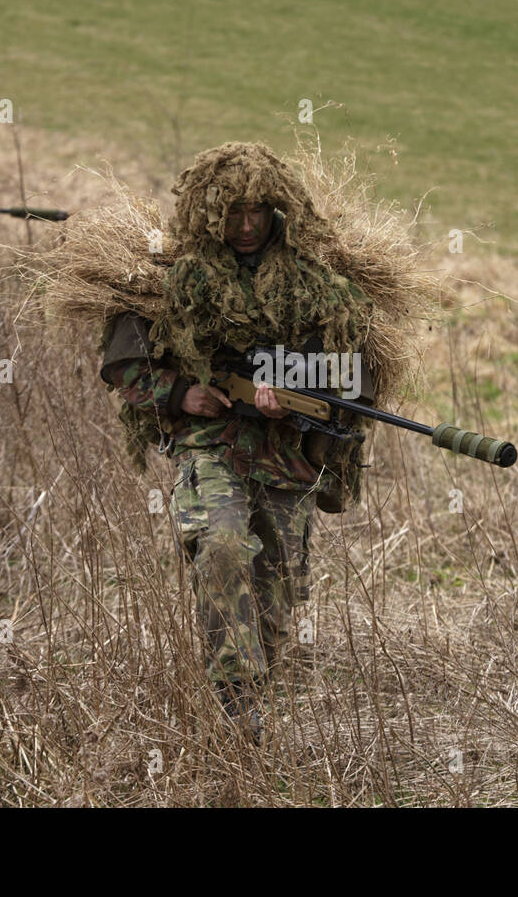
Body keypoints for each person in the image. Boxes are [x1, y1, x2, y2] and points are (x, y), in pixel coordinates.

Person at [99, 142, 375, 741]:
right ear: (208, 213)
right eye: (232, 213)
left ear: (279, 213)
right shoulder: (169, 282)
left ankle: (254, 698)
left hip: (286, 453)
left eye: (258, 212)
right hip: (211, 442)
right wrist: (180, 395)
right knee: (222, 548)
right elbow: (123, 366)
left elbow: (355, 374)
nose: (246, 226)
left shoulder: (318, 289)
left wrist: (296, 389)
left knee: (277, 589)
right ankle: (236, 703)